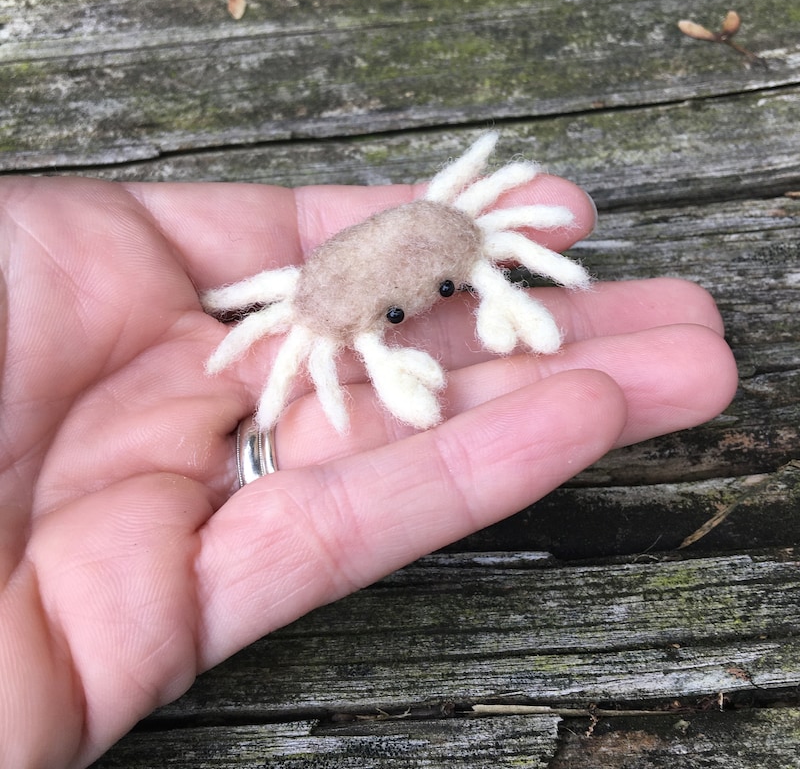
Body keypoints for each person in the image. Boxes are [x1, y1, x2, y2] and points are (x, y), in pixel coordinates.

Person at [0, 170, 737, 767]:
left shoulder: (462, 225)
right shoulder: (313, 319)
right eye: (396, 315)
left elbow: (514, 242)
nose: (423, 307)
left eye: (444, 291)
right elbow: (274, 354)